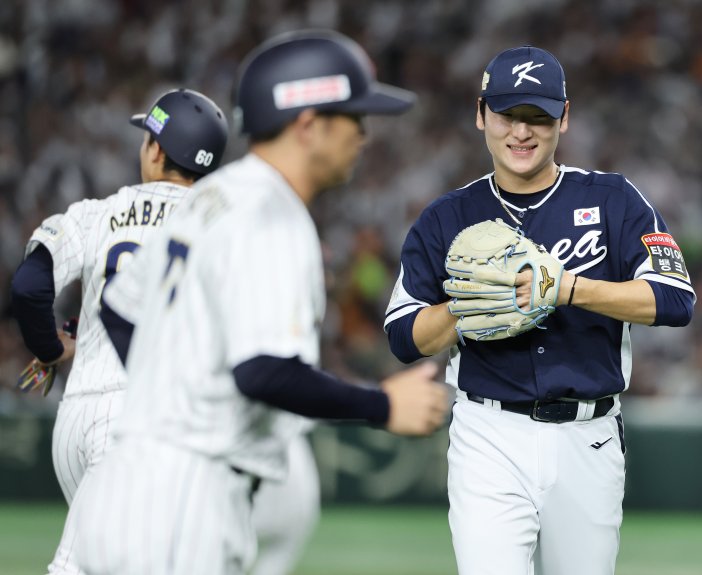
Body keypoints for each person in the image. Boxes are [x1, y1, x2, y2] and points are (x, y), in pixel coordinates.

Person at [69, 29, 448, 575]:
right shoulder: (272, 216)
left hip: (131, 484)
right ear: (308, 124)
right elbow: (263, 373)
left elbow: (119, 308)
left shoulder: (214, 197)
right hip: (182, 504)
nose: (364, 135)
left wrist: (167, 395)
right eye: (354, 118)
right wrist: (382, 405)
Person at [384, 45, 696, 575]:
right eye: (507, 114)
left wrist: (569, 287)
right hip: (488, 433)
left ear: (564, 118)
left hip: (588, 435)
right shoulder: (448, 217)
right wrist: (468, 306)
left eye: (538, 117)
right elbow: (403, 336)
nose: (521, 132)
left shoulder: (613, 199)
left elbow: (674, 298)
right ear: (480, 113)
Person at [10, 88, 228, 574]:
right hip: (140, 422)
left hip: (76, 417)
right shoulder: (221, 225)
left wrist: (49, 347)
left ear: (156, 149)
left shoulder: (96, 213)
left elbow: (28, 286)